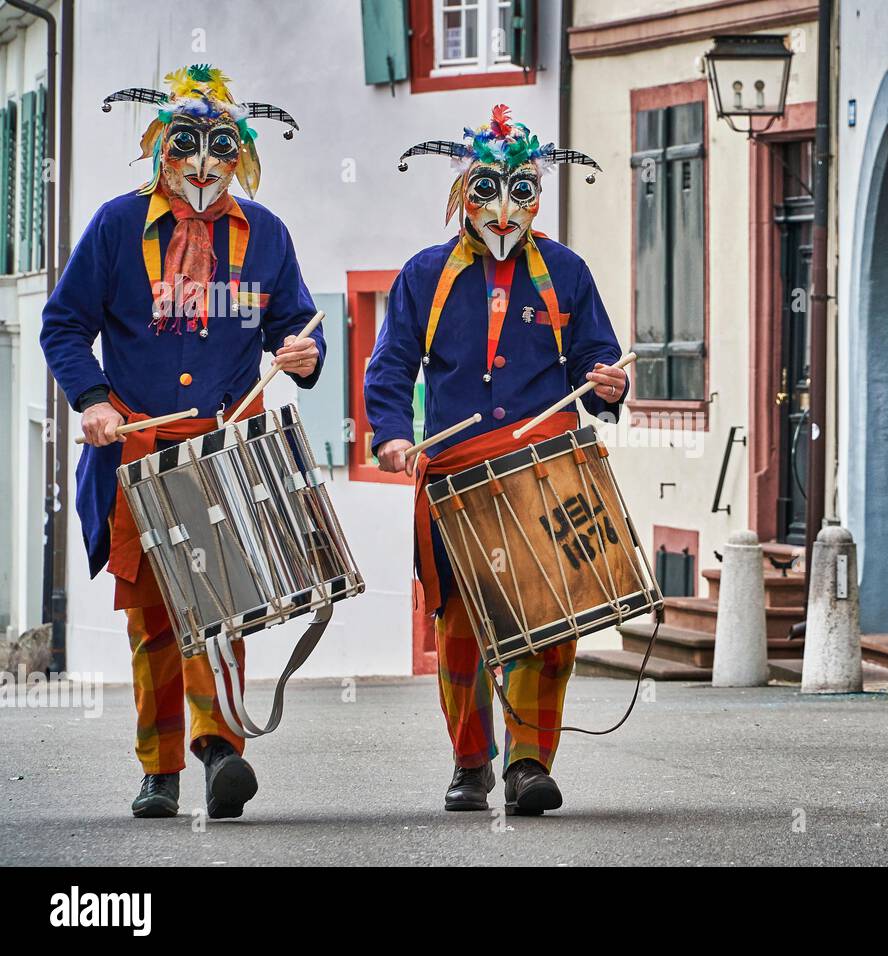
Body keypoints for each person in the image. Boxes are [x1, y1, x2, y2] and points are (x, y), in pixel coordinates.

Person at [39, 65, 325, 820]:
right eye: (185, 147)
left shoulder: (266, 234)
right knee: (156, 622)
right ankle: (160, 769)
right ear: (159, 149)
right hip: (137, 452)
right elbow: (64, 326)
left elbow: (294, 325)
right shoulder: (113, 226)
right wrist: (94, 400)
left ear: (241, 153)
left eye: (220, 147)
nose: (201, 165)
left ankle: (220, 750)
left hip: (221, 449)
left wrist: (301, 354)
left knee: (224, 607)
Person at [365, 105, 626, 815]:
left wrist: (610, 381)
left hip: (547, 469)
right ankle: (471, 760)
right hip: (456, 475)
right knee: (463, 628)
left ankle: (530, 763)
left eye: (521, 191)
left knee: (554, 620)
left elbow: (598, 356)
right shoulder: (425, 275)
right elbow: (389, 368)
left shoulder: (566, 271)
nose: (505, 209)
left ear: (538, 194)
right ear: (461, 191)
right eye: (487, 189)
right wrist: (390, 431)